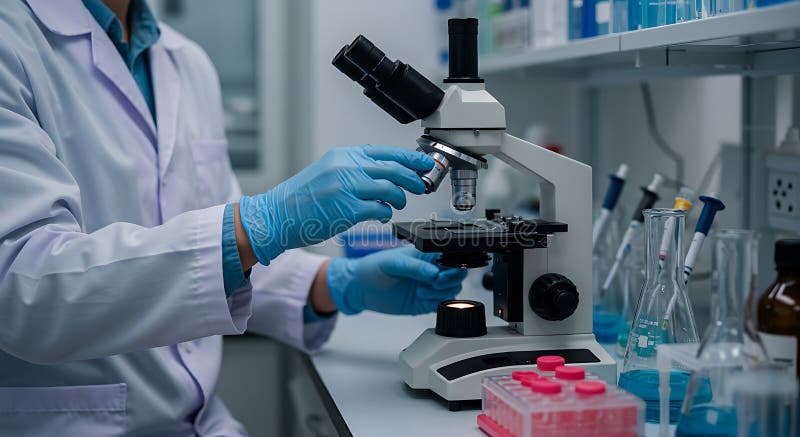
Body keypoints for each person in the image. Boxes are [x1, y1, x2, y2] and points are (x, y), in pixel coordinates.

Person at [0, 0, 467, 434]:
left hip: (204, 420)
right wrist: (262, 220)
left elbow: (215, 265)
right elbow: (24, 291)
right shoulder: (12, 39)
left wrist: (336, 284)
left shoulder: (186, 62)